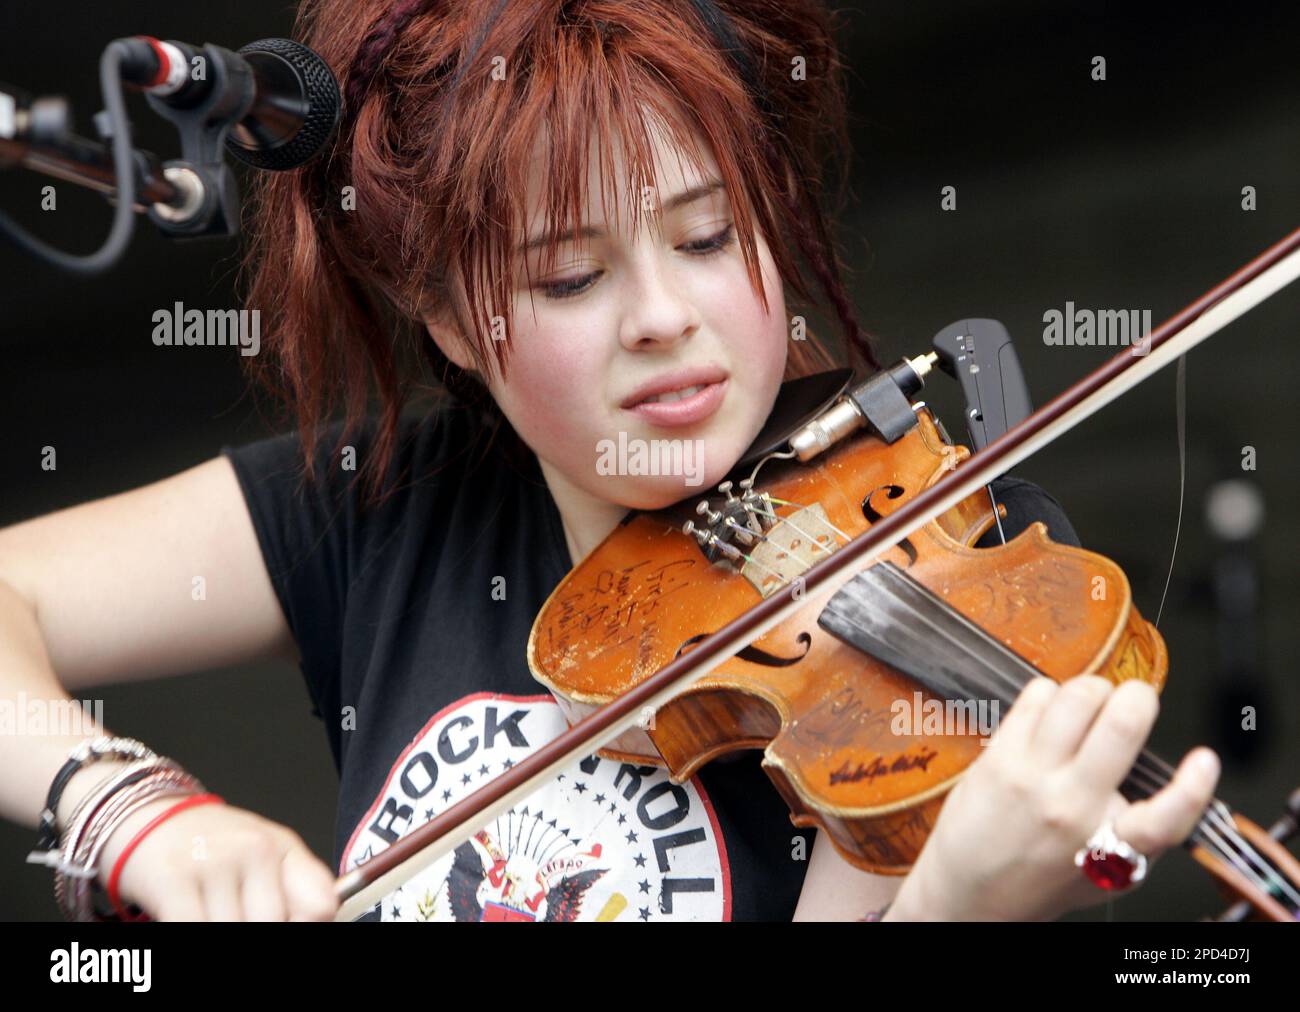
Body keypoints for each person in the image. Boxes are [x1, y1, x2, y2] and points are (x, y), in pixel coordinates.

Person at [0, 0, 1220, 922]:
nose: (661, 316)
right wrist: (123, 802)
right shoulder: (388, 507)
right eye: (570, 275)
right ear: (443, 317)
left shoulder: (943, 560)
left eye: (705, 235)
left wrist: (947, 901)